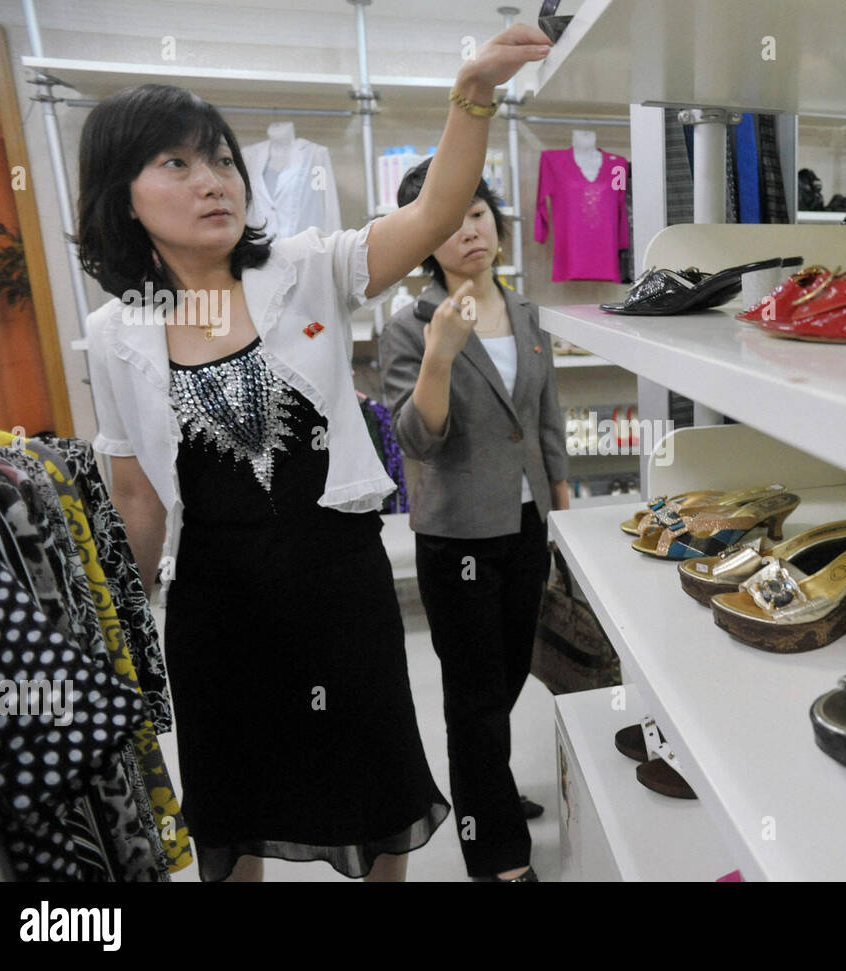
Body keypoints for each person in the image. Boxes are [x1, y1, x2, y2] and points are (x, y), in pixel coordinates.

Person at [75, 25, 554, 882]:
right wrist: (124, 639)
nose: (213, 179)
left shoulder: (306, 268)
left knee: (376, 798)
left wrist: (474, 90)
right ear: (123, 194)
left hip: (337, 584)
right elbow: (138, 494)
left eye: (219, 158)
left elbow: (435, 213)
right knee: (233, 807)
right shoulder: (112, 335)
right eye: (176, 165)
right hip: (217, 607)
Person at [380, 157, 570, 882]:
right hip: (457, 534)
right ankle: (495, 854)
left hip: (525, 526)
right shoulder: (410, 326)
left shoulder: (526, 314)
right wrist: (438, 357)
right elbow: (418, 439)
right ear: (423, 237)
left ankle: (486, 789)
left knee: (510, 673)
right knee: (474, 697)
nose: (470, 230)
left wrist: (560, 502)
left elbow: (546, 414)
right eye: (449, 219)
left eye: (480, 212)